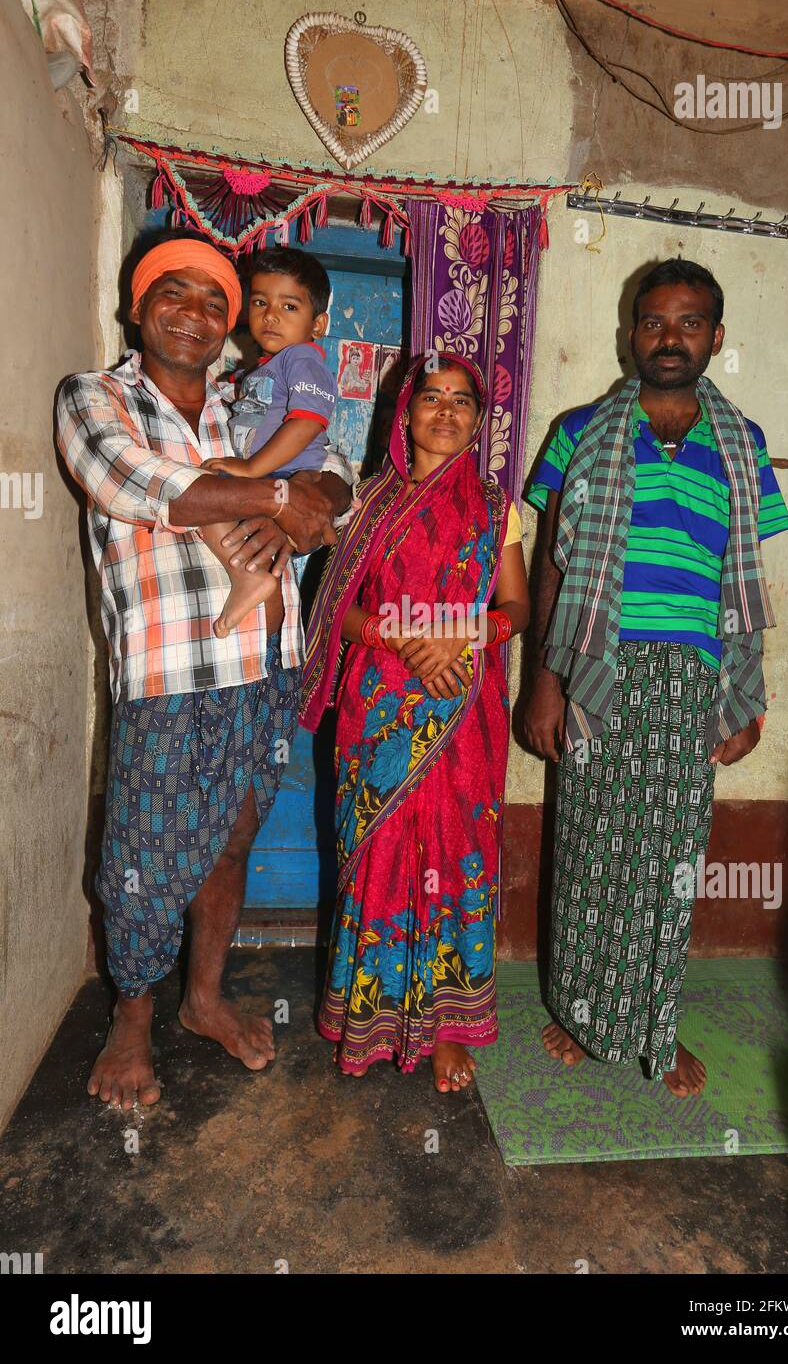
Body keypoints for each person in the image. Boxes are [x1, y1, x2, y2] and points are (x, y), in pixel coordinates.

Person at [55, 234, 352, 1109]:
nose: (194, 312)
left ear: (232, 323)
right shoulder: (94, 395)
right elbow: (132, 484)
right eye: (172, 293)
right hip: (168, 676)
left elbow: (334, 467)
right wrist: (273, 498)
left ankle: (203, 998)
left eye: (214, 300)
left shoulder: (247, 399)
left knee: (232, 838)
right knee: (144, 860)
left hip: (265, 667)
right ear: (137, 307)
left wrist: (318, 499)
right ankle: (133, 1021)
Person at [522, 258, 788, 1096]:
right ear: (628, 334)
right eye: (653, 322)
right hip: (597, 664)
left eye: (688, 323)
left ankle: (654, 1026)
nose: (669, 338)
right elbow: (550, 564)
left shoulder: (742, 445)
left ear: (717, 337)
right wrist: (543, 680)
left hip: (693, 676)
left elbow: (744, 579)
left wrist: (748, 698)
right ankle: (581, 1011)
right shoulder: (578, 430)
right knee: (589, 850)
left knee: (670, 859)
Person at [301, 352, 529, 1091]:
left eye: (464, 401)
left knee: (458, 848)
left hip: (465, 703)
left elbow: (517, 609)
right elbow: (337, 609)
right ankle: (369, 1015)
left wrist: (465, 631)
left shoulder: (498, 508)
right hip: (382, 705)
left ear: (477, 420)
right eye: (431, 396)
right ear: (405, 411)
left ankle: (446, 1030)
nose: (447, 411)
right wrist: (405, 637)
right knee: (376, 849)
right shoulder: (367, 502)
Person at [199, 247, 340, 637]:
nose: (271, 314)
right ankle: (269, 625)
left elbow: (307, 423)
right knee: (263, 553)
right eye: (260, 301)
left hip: (284, 475)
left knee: (207, 496)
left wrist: (251, 469)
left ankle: (253, 591)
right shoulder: (263, 369)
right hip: (273, 477)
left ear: (318, 323)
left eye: (289, 306)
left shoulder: (302, 359)